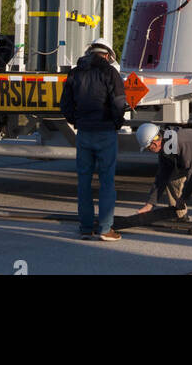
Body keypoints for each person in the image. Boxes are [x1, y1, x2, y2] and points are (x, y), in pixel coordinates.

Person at [59, 40, 127, 242]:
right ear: (107, 55)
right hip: (105, 131)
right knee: (107, 181)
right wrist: (116, 122)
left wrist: (77, 120)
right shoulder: (110, 73)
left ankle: (86, 228)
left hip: (84, 132)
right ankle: (105, 229)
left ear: (90, 52)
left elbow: (65, 105)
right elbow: (119, 102)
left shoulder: (75, 73)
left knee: (84, 181)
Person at [136, 121, 192, 235]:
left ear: (154, 143)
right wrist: (149, 204)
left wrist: (184, 197)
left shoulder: (181, 142)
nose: (149, 151)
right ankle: (180, 214)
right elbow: (162, 177)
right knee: (170, 176)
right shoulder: (166, 145)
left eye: (148, 148)